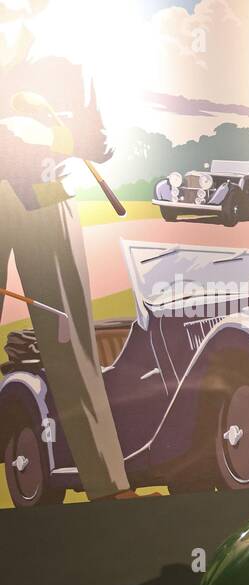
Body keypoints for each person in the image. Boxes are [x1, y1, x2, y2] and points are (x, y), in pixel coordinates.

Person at [0, 0, 128, 500]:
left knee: (69, 347)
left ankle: (108, 489)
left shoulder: (67, 58)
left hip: (46, 201)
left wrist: (45, 134)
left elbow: (97, 141)